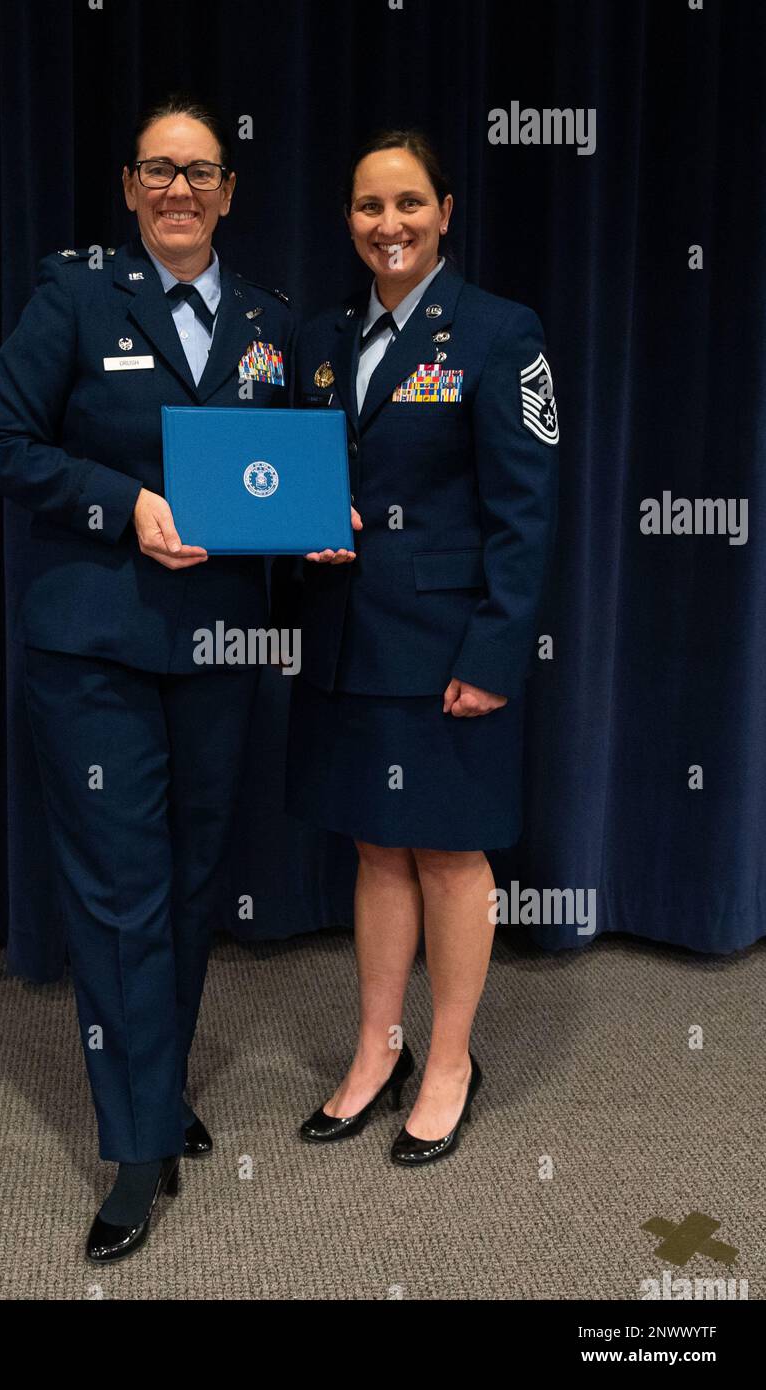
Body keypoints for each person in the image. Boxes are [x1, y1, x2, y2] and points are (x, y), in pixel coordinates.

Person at [0, 95, 295, 1259]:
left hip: (217, 652)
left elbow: (285, 468)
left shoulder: (268, 319)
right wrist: (125, 506)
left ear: (227, 191)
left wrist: (317, 517)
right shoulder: (73, 296)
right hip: (93, 649)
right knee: (117, 893)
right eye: (158, 171)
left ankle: (157, 1094)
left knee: (194, 875)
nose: (178, 190)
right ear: (127, 186)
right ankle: (133, 1147)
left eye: (199, 171)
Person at [284, 129, 559, 1166]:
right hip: (347, 639)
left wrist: (494, 654)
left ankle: (448, 1061)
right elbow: (297, 483)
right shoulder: (316, 341)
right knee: (371, 845)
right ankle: (376, 1047)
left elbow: (525, 512)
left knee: (447, 851)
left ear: (445, 211)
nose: (386, 224)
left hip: (448, 644)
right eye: (366, 206)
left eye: (407, 203)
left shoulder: (498, 333)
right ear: (346, 219)